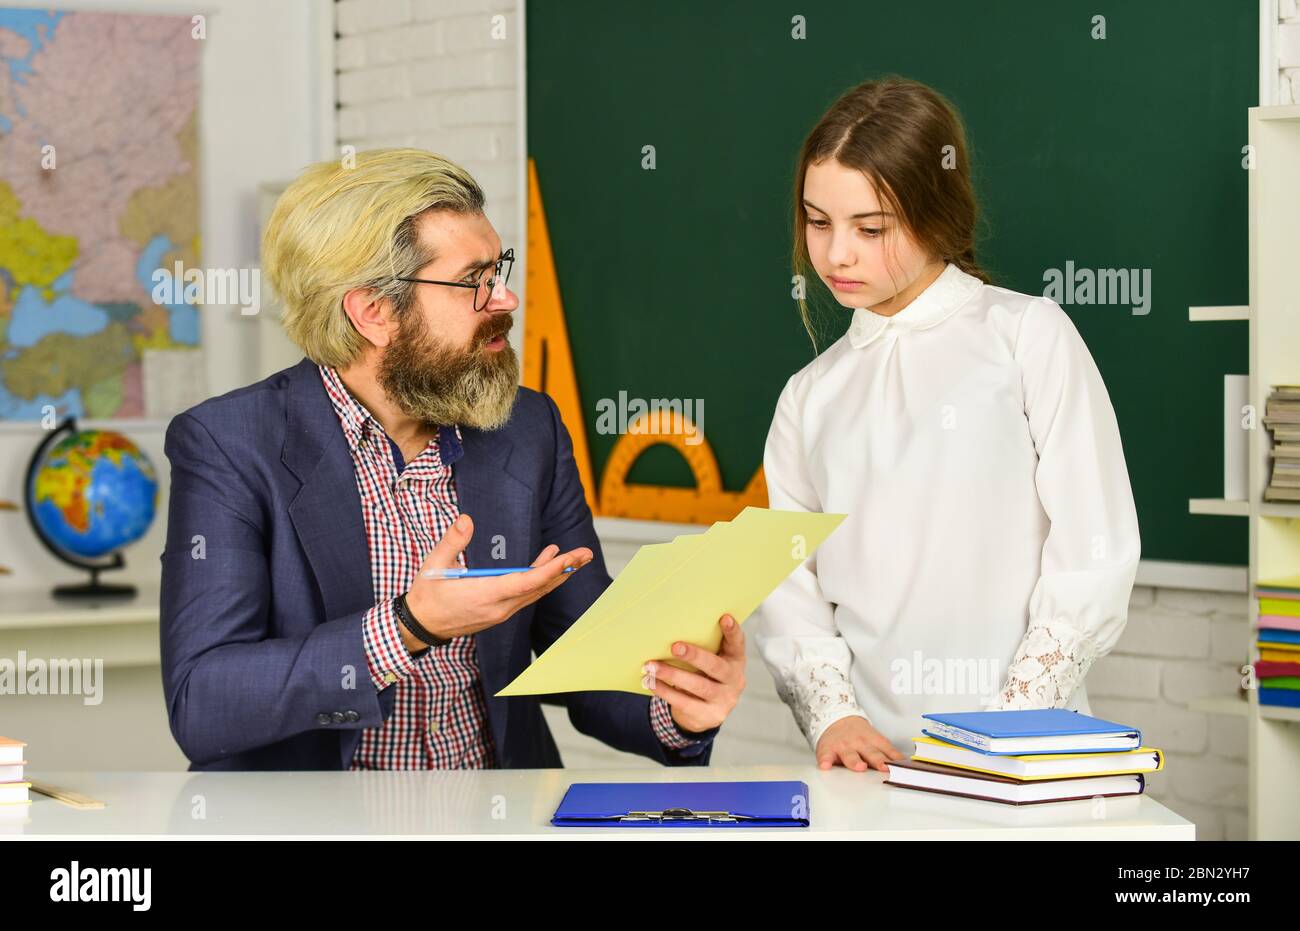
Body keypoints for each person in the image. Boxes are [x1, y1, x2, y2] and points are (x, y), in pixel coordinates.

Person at [160, 148, 745, 770]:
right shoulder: (230, 443)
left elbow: (586, 651)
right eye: (474, 281)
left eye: (499, 271)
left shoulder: (527, 429)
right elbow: (204, 701)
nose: (505, 300)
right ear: (374, 313)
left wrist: (679, 709)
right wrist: (408, 627)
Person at [753, 77, 1141, 773]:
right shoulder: (808, 397)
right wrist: (833, 714)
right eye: (818, 222)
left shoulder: (1027, 337)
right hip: (870, 771)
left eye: (869, 228)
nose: (837, 253)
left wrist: (1009, 726)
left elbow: (1095, 548)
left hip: (1027, 756)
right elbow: (790, 584)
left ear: (935, 213)